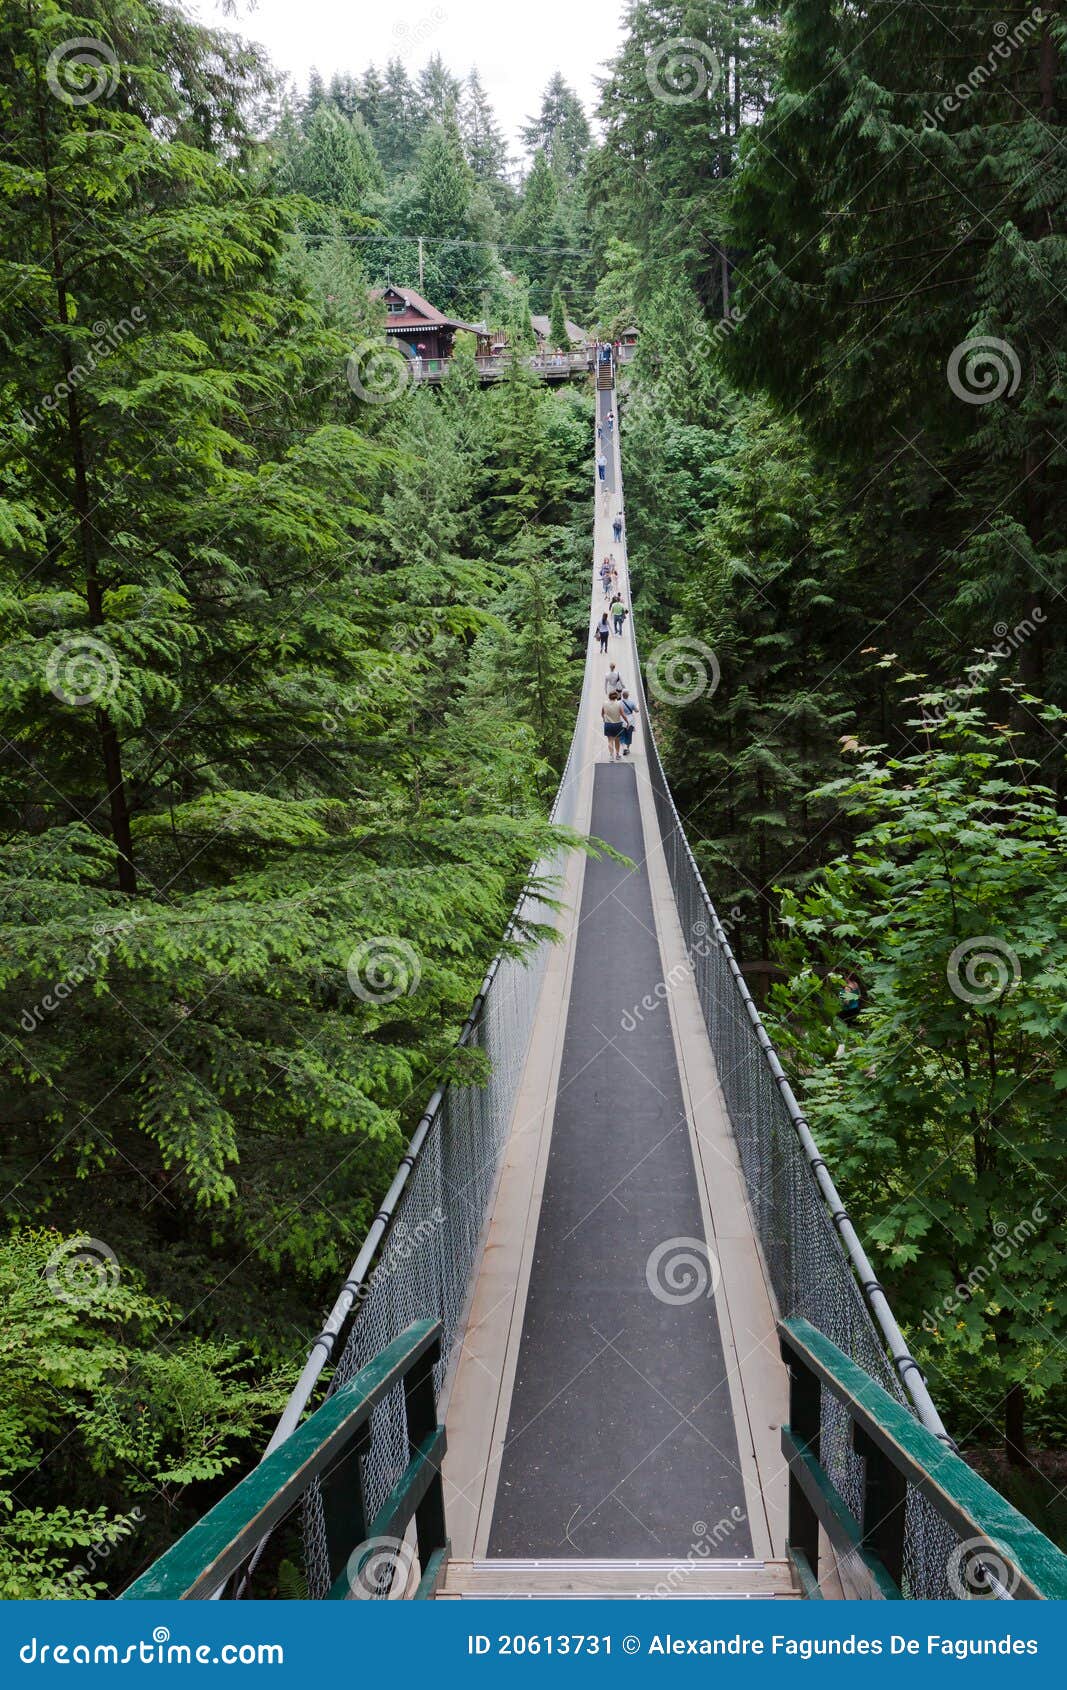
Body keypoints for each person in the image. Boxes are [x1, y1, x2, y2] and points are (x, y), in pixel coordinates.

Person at [602, 692, 624, 760]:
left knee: (610, 741)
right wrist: (627, 721)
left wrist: (604, 719)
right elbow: (622, 714)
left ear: (609, 697)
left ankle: (611, 756)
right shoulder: (619, 703)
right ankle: (617, 755)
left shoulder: (605, 703)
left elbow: (602, 713)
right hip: (617, 724)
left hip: (608, 724)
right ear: (616, 697)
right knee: (617, 740)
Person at [620, 691, 639, 756]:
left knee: (622, 735)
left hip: (621, 720)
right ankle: (627, 749)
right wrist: (636, 707)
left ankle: (623, 748)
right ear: (628, 695)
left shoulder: (619, 703)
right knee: (629, 735)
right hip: (630, 721)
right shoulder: (632, 702)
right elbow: (637, 711)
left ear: (622, 695)